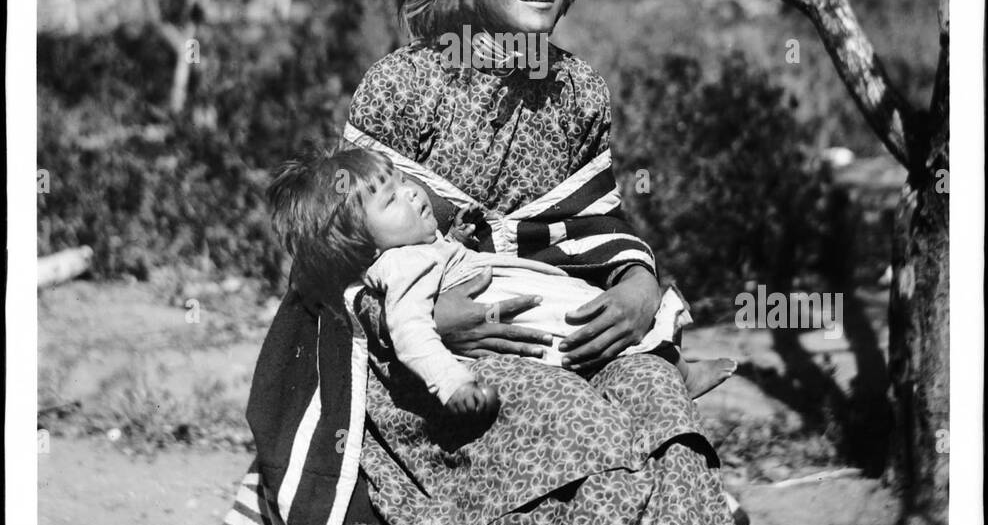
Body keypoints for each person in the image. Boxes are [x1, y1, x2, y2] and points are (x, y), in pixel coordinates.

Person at [206, 0, 947, 525]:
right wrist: (405, 320)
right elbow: (340, 241)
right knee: (579, 430)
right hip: (443, 358)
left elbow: (595, 225)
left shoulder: (575, 90)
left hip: (562, 323)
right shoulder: (403, 86)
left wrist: (635, 288)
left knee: (658, 405)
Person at [266, 145, 733, 417]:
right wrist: (452, 385)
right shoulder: (400, 265)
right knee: (593, 335)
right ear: (365, 247)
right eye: (391, 201)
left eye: (402, 181)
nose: (411, 191)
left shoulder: (415, 247)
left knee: (599, 322)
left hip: (520, 300)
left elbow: (444, 262)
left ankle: (676, 373)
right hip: (522, 327)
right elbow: (411, 331)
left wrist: (455, 239)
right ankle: (678, 374)